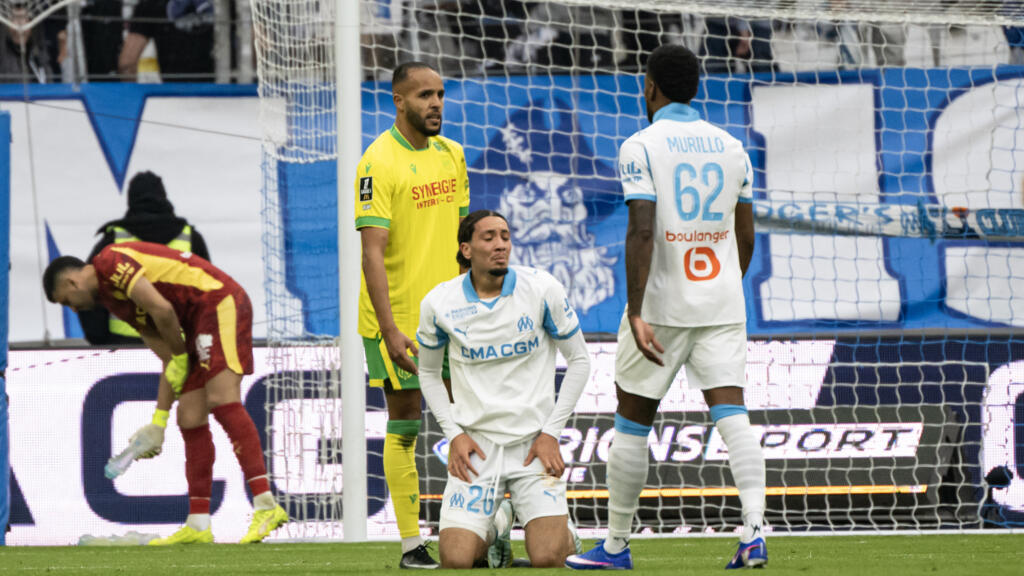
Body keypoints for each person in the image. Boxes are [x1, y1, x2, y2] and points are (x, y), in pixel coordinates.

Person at [565, 44, 766, 570]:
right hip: (722, 302)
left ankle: (614, 546)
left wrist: (636, 309)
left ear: (649, 86)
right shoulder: (732, 148)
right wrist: (723, 286)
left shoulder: (640, 145)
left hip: (659, 309)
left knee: (632, 420)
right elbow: (745, 234)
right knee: (732, 413)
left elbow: (642, 230)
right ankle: (754, 533)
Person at [42, 242, 288, 544]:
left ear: (72, 281)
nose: (73, 309)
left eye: (67, 301)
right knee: (189, 416)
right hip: (197, 322)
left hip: (218, 301)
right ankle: (198, 524)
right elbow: (171, 360)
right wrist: (158, 421)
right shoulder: (115, 303)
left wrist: (180, 355)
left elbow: (163, 309)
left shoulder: (109, 261)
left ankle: (266, 505)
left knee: (221, 397)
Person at [416, 210, 590, 569]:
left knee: (547, 558)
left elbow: (581, 362)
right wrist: (454, 436)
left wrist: (551, 433)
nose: (500, 245)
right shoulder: (439, 303)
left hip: (533, 447)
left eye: (505, 236)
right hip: (477, 447)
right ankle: (497, 525)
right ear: (466, 249)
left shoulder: (542, 289)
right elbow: (429, 374)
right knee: (457, 559)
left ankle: (565, 533)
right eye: (489, 237)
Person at [355, 60, 469, 569]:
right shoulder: (377, 163)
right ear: (398, 101)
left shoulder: (453, 155)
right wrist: (389, 328)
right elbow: (371, 253)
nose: (436, 104)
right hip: (398, 319)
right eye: (424, 95)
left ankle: (478, 531)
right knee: (405, 422)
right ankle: (410, 544)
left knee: (478, 421)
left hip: (454, 318)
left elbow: (465, 241)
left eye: (440, 94)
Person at [77, 171, 211, 345]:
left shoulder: (113, 240)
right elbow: (208, 294)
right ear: (164, 197)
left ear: (131, 200)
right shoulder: (191, 238)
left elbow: (90, 291)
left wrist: (100, 339)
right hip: (178, 344)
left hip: (123, 345)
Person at [118, 0, 214, 82]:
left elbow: (127, 64)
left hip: (173, 95)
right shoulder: (225, 4)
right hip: (222, 93)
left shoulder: (152, 3)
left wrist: (131, 98)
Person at [0, 2, 53, 83]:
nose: (20, 24)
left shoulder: (39, 55)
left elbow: (49, 84)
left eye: (24, 18)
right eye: (14, 18)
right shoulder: (3, 54)